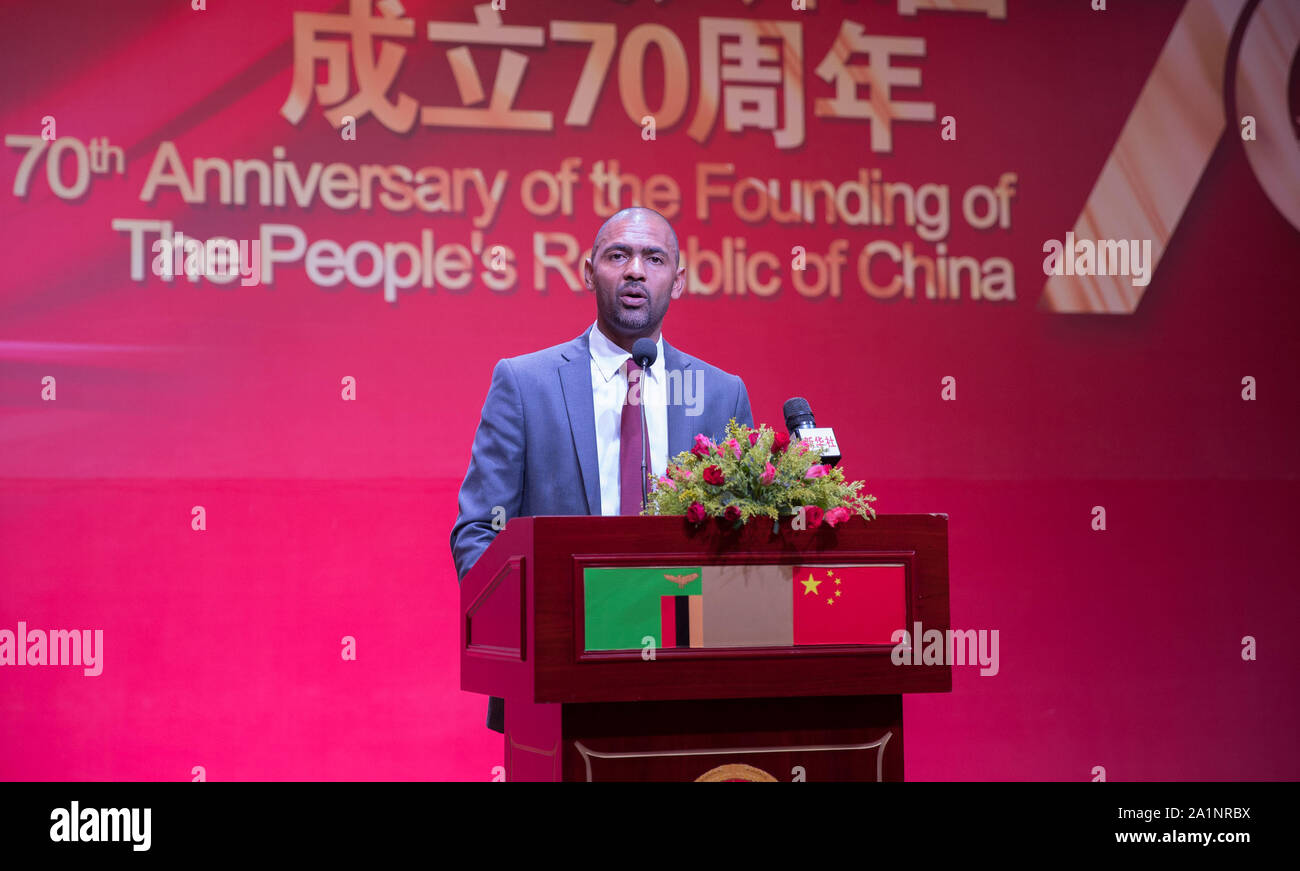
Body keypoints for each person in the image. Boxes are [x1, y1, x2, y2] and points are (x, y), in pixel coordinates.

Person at [449, 206, 754, 732]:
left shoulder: (720, 394)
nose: (635, 270)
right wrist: (537, 632)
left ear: (677, 281)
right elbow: (479, 533)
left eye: (653, 258)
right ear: (589, 271)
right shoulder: (526, 384)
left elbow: (745, 539)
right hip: (558, 679)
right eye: (619, 255)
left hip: (692, 683)